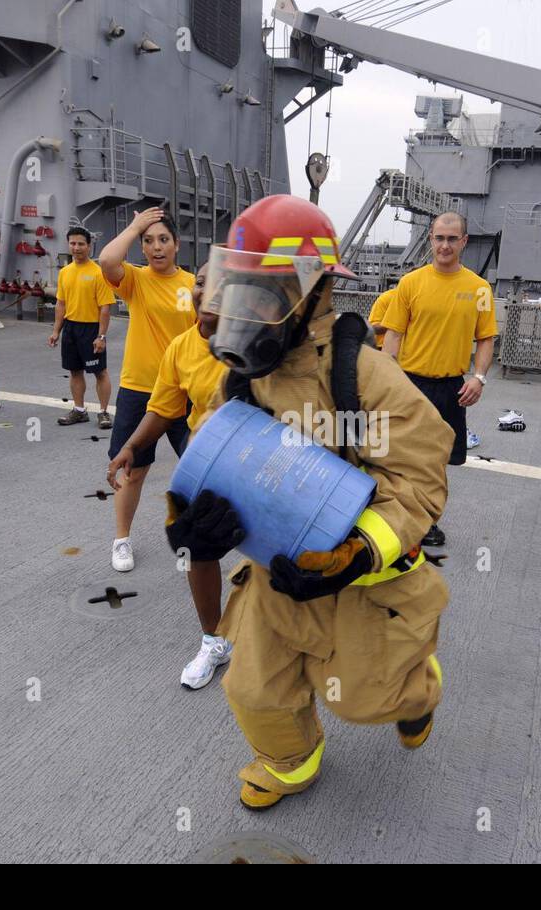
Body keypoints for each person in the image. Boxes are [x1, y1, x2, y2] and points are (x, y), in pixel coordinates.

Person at [169, 194, 453, 810]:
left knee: (366, 697)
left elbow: (418, 481)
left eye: (262, 293)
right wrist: (192, 522)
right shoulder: (243, 379)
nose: (243, 309)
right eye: (237, 290)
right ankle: (289, 762)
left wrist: (354, 552)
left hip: (361, 580)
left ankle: (420, 690)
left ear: (314, 293)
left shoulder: (367, 378)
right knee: (253, 689)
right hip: (276, 576)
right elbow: (213, 455)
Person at [108, 263, 230, 688]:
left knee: (281, 558)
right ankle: (215, 640)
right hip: (208, 464)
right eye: (200, 283)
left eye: (221, 284)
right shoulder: (180, 347)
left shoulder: (261, 343)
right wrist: (131, 447)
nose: (207, 290)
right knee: (196, 545)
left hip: (263, 466)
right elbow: (164, 408)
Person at [381, 211, 496, 547]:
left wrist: (479, 378)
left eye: (451, 239)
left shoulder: (479, 289)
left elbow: (486, 338)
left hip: (451, 387)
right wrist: (387, 380)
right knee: (399, 456)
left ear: (464, 242)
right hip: (409, 384)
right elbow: (394, 334)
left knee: (437, 463)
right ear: (431, 239)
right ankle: (397, 517)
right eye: (439, 238)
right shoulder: (410, 283)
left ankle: (427, 522)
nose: (444, 245)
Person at [96, 207, 195, 573]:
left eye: (163, 240)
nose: (157, 247)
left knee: (196, 469)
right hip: (140, 390)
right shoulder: (135, 280)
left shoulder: (192, 285)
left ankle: (190, 538)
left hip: (185, 392)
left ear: (177, 245)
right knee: (134, 469)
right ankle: (122, 539)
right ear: (141, 248)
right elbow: (107, 259)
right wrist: (136, 224)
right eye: (148, 241)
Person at [49, 227, 114, 429]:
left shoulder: (98, 273)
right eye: (73, 243)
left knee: (99, 372)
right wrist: (56, 331)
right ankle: (79, 410)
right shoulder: (65, 272)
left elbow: (105, 308)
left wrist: (101, 336)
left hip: (91, 329)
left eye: (81, 244)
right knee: (75, 371)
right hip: (71, 328)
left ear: (89, 246)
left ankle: (103, 412)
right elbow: (61, 304)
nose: (76, 248)